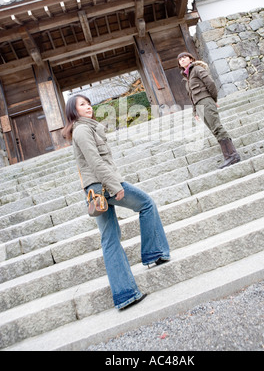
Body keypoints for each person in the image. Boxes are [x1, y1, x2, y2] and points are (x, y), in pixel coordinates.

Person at [62, 94, 170, 311]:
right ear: (73, 111)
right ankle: (153, 253)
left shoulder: (85, 128)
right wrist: (114, 185)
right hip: (103, 185)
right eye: (82, 105)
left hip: (95, 189)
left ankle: (125, 295)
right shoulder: (82, 130)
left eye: (88, 103)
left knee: (109, 239)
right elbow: (95, 161)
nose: (88, 107)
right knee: (147, 204)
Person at [177, 51, 241, 169]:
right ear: (179, 64)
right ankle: (229, 156)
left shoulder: (196, 69)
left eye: (185, 57)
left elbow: (210, 83)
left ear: (191, 59)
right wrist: (195, 112)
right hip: (199, 106)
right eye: (180, 59)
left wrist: (213, 99)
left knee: (217, 127)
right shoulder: (187, 77)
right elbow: (192, 97)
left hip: (206, 101)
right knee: (213, 129)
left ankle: (232, 155)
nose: (182, 60)